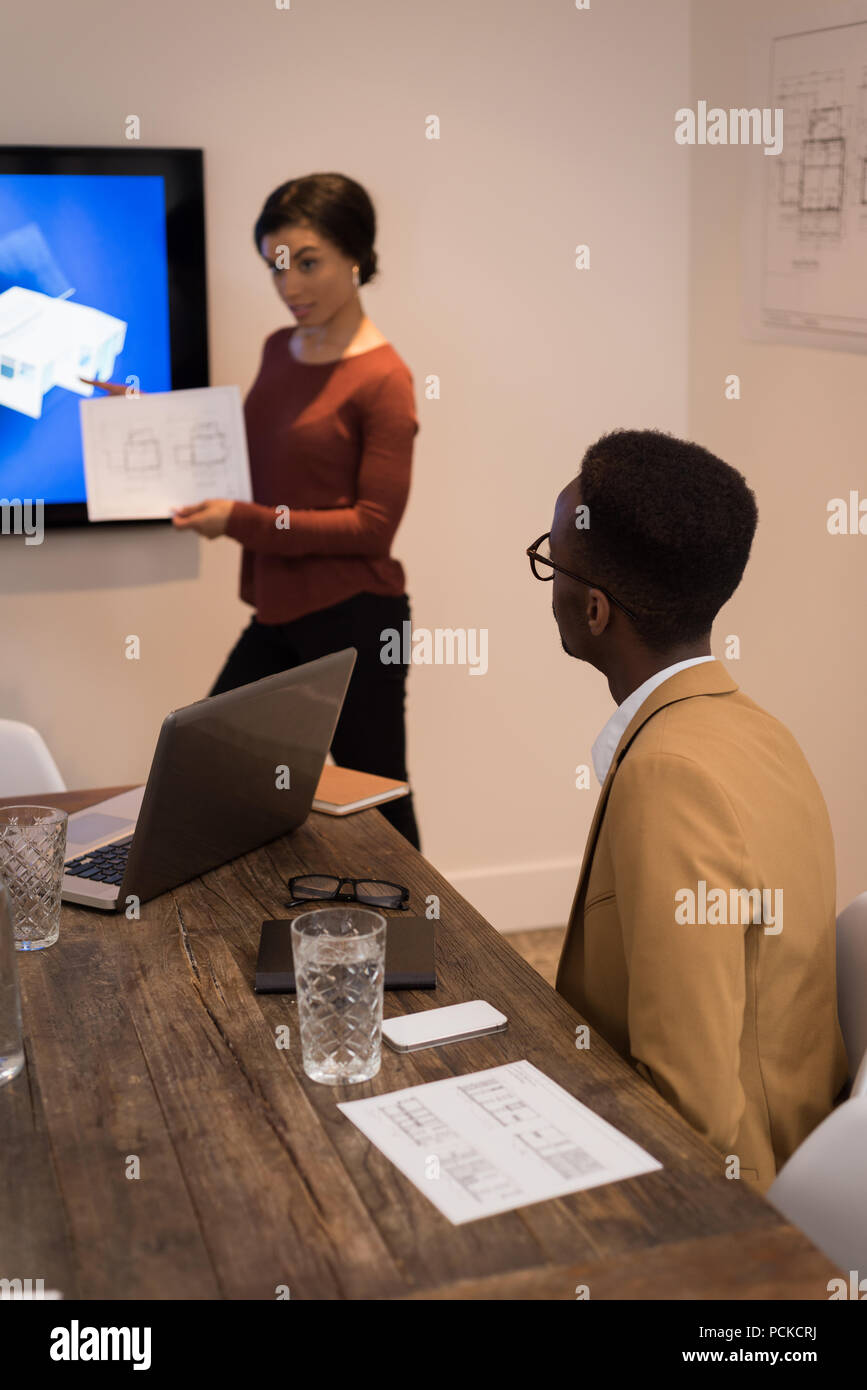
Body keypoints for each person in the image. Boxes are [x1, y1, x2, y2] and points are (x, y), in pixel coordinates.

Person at [528, 428, 848, 1192]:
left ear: (596, 610)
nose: (550, 583)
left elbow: (689, 1111)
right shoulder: (759, 730)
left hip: (728, 1211)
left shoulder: (668, 774)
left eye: (551, 563)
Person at [169, 173, 421, 847]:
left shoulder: (384, 379)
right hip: (279, 610)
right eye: (276, 267)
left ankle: (421, 946)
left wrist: (241, 521)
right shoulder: (279, 349)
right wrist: (156, 429)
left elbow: (373, 526)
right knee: (210, 761)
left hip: (355, 620)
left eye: (307, 263)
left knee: (376, 794)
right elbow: (257, 460)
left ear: (356, 257)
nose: (290, 287)